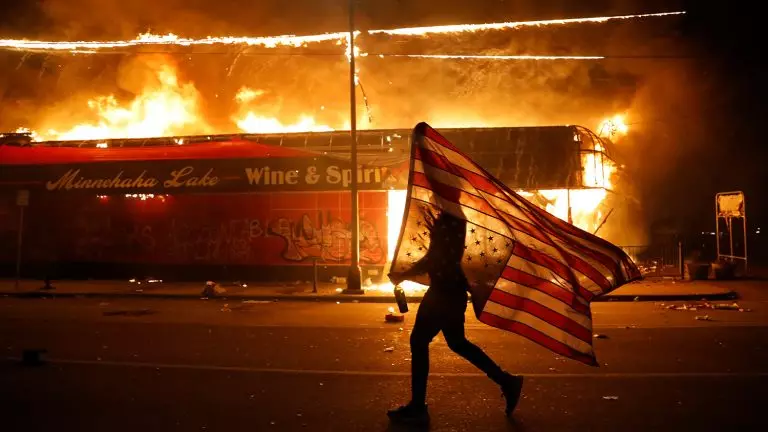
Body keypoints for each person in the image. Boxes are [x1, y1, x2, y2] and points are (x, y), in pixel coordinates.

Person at [387, 211, 523, 425]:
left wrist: (404, 274)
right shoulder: (452, 217)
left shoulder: (450, 218)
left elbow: (436, 257)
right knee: (457, 343)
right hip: (452, 291)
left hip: (444, 293)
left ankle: (418, 408)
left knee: (419, 341)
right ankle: (506, 381)